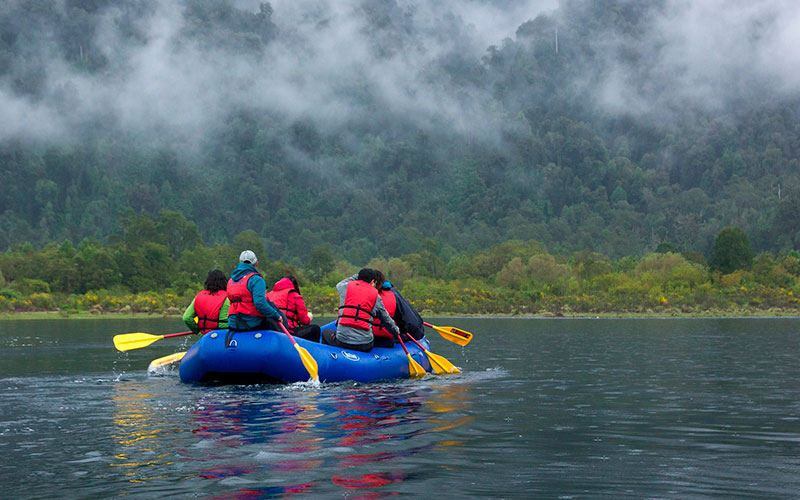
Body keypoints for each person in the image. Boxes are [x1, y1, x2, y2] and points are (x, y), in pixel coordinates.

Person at [322, 268, 400, 352]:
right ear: (373, 281)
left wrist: (359, 276)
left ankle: (331, 356)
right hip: (364, 345)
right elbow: (386, 319)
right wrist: (395, 331)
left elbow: (340, 283)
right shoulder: (376, 296)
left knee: (326, 332)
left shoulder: (344, 287)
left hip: (342, 341)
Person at [226, 250, 283, 331]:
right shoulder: (256, 279)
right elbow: (260, 304)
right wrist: (277, 316)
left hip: (232, 323)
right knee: (275, 318)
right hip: (251, 323)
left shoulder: (231, 280)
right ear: (256, 263)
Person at [267, 275, 321, 342]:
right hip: (288, 331)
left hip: (271, 330)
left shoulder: (269, 295)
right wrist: (309, 317)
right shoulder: (294, 294)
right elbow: (304, 320)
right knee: (315, 329)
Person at [183, 269, 230, 335]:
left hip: (204, 336)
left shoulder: (198, 297)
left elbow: (187, 318)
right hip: (224, 336)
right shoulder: (228, 297)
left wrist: (197, 330)